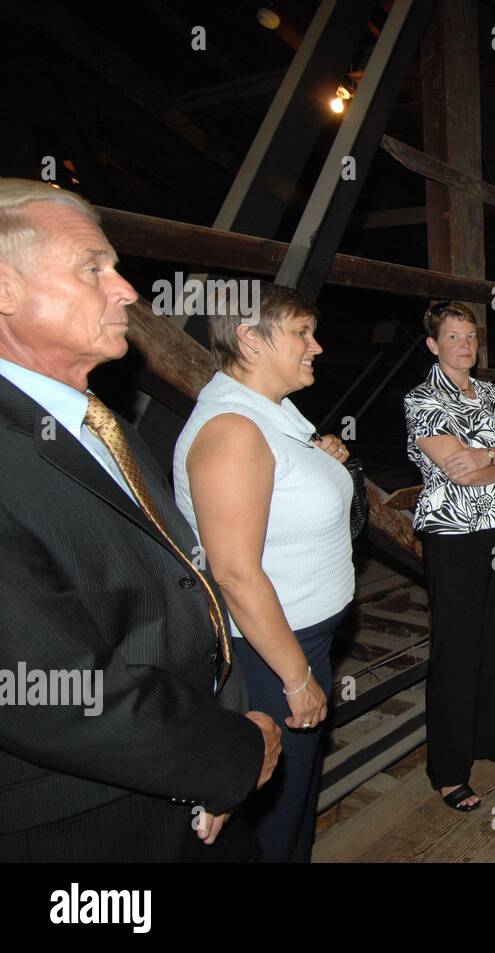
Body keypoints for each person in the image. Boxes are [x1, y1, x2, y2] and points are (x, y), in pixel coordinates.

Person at [0, 178, 279, 861]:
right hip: (91, 821)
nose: (126, 290)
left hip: (188, 782)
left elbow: (186, 582)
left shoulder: (101, 422)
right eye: (94, 268)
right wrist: (235, 750)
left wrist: (228, 715)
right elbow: (51, 693)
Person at [173, 283, 354, 862]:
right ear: (250, 340)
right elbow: (234, 573)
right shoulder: (231, 430)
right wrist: (297, 680)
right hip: (269, 652)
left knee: (294, 802)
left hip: (298, 642)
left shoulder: (270, 414)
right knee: (270, 820)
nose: (318, 346)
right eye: (302, 332)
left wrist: (321, 463)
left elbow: (277, 494)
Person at [405, 301, 495, 812]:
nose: (465, 344)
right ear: (434, 345)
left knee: (490, 638)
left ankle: (482, 738)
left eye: (470, 336)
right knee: (456, 650)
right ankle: (448, 768)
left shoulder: (492, 394)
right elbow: (459, 473)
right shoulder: (421, 400)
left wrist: (484, 456)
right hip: (454, 537)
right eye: (454, 336)